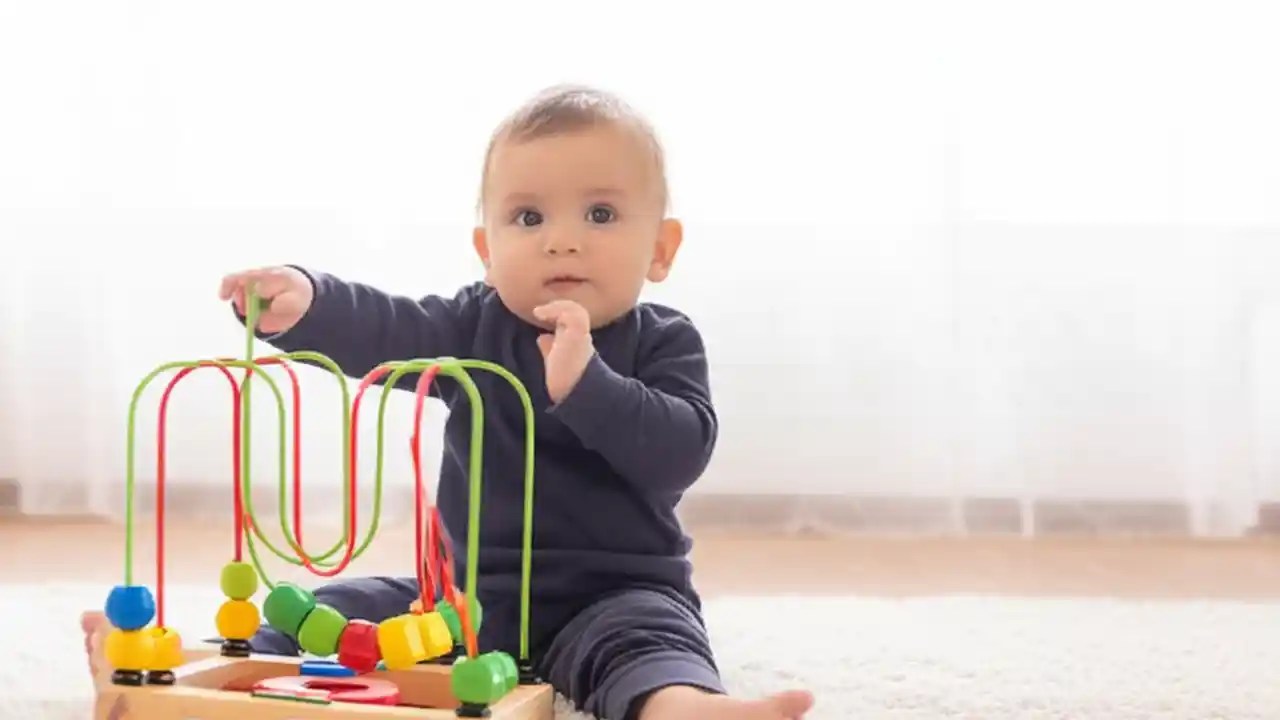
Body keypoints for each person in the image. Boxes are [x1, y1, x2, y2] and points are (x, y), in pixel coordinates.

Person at [83, 84, 814, 720]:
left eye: (599, 214)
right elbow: (391, 330)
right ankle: (161, 676)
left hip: (615, 593)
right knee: (330, 613)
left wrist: (589, 386)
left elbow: (679, 452)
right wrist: (311, 303)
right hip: (463, 600)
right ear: (486, 249)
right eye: (529, 218)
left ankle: (689, 710)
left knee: (650, 651)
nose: (562, 241)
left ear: (661, 248)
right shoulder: (473, 326)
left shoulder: (664, 341)